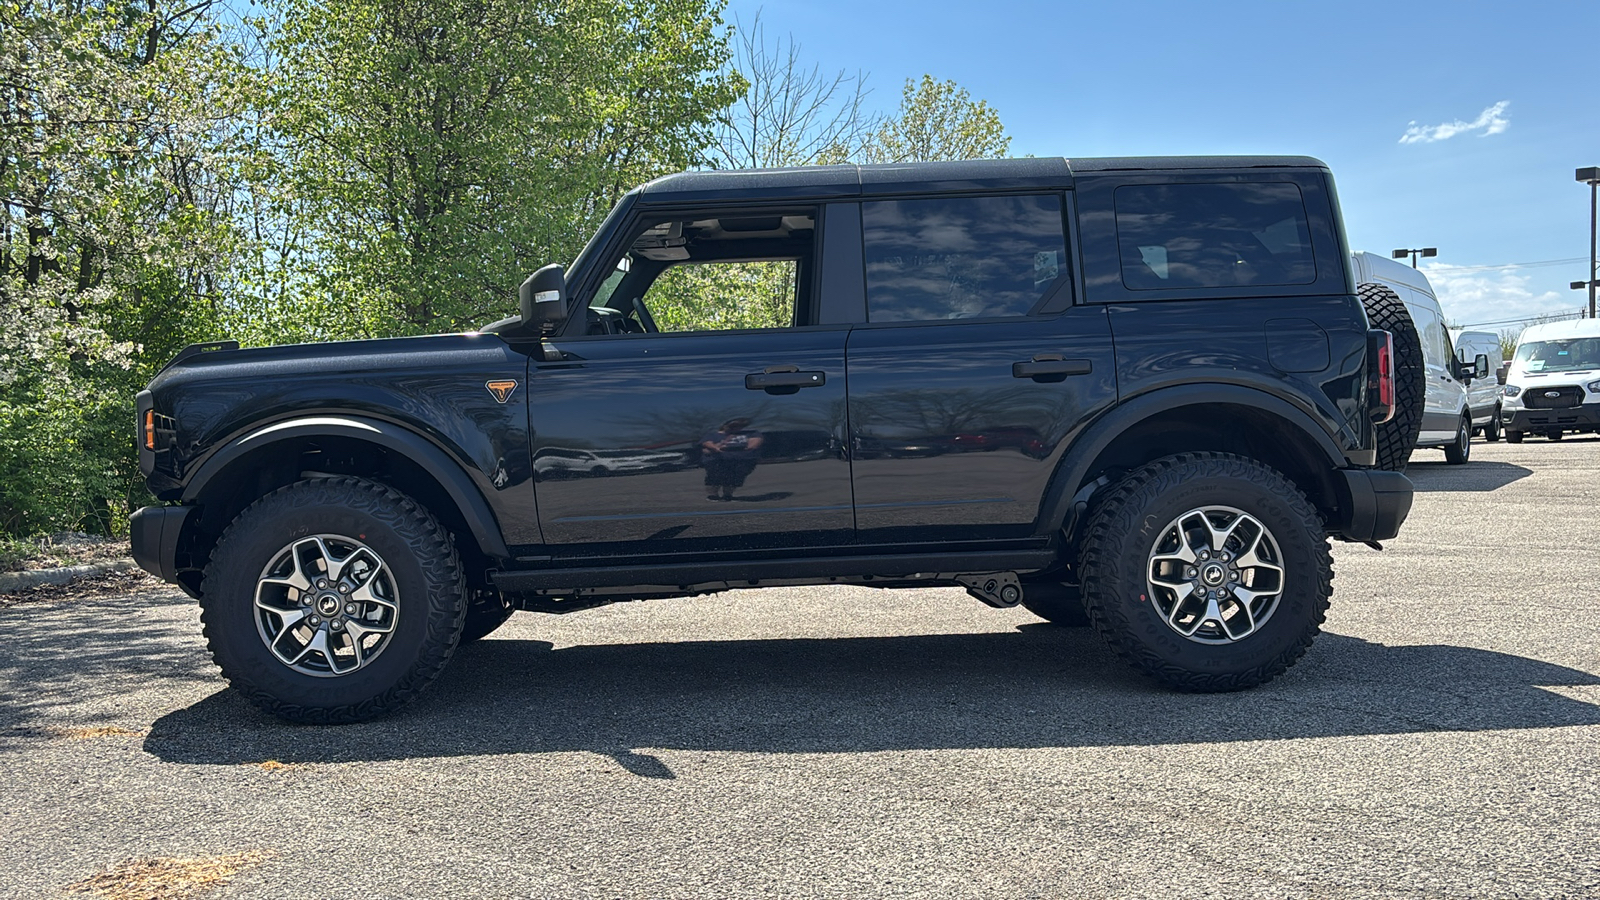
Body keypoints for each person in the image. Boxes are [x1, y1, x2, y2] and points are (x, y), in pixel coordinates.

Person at [699, 418, 764, 500]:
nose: (736, 428)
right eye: (733, 426)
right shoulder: (713, 435)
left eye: (739, 426)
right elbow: (707, 444)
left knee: (735, 477)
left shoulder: (752, 433)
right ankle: (713, 494)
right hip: (719, 459)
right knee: (715, 475)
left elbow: (754, 444)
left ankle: (728, 494)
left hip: (743, 459)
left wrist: (745, 447)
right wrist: (717, 447)